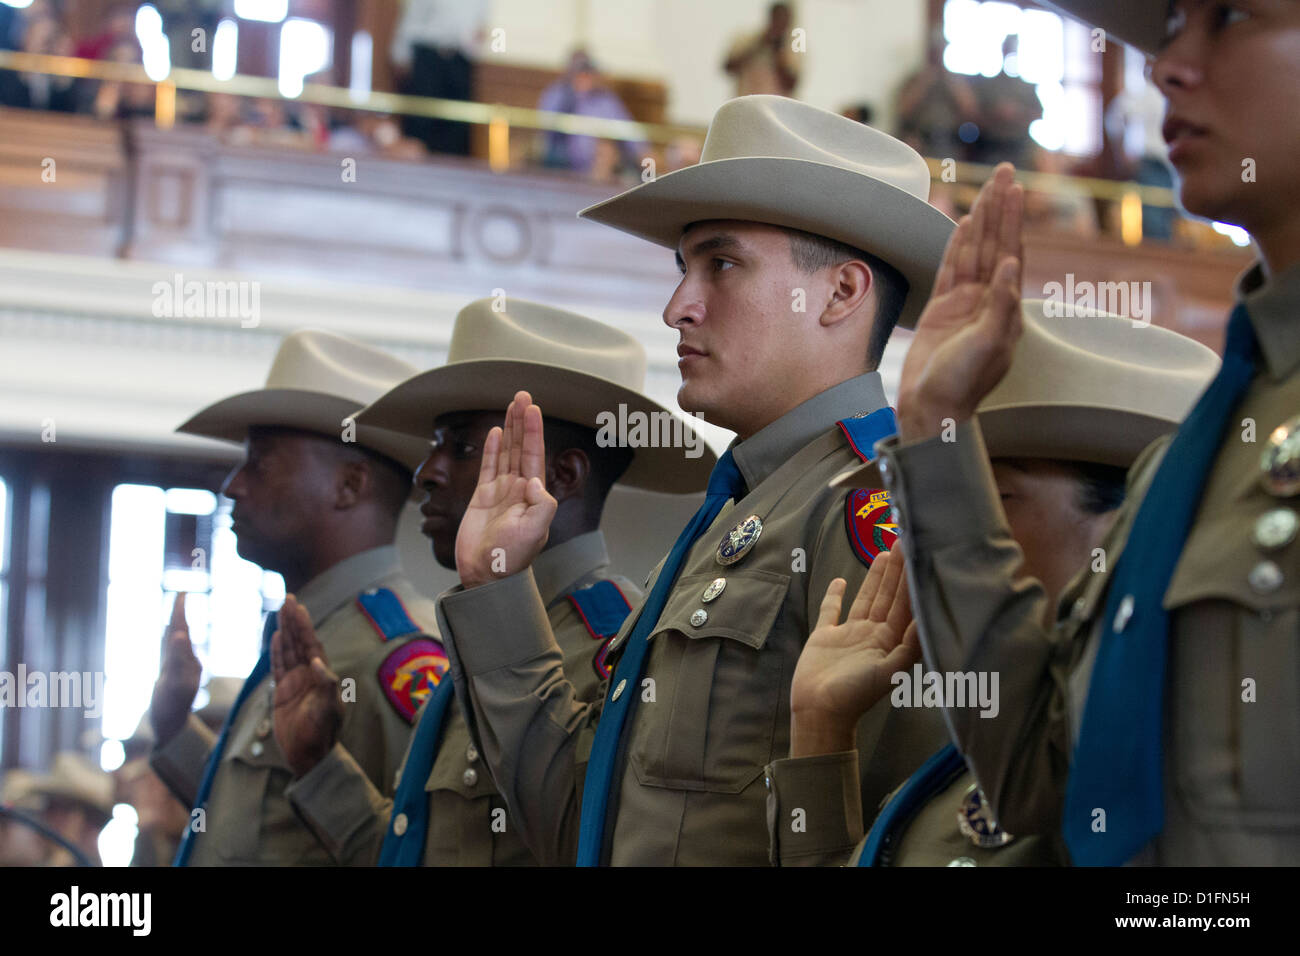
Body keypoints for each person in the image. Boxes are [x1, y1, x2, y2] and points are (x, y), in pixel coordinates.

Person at [435, 95, 957, 866]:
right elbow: (574, 825)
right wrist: (495, 585)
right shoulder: (730, 523)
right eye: (685, 269)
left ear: (841, 294)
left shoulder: (874, 513)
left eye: (722, 263)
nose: (678, 306)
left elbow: (904, 834)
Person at [874, 0, 1300, 865]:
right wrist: (936, 428)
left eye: (1227, 17)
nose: (1165, 64)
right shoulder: (1202, 452)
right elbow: (1041, 776)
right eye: (1171, 26)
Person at [767, 301, 1218, 865]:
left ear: (1128, 525)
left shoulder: (1161, 750)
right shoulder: (982, 750)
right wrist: (821, 726)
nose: (942, 543)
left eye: (987, 502)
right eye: (937, 506)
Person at [272, 299, 711, 866]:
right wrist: (319, 765)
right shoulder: (487, 630)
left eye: (459, 446)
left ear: (562, 475)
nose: (425, 472)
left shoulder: (615, 649)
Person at [149, 330, 445, 865]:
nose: (233, 485)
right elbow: (259, 831)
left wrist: (320, 767)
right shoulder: (311, 634)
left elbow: (415, 854)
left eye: (260, 461)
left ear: (349, 486)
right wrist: (173, 724)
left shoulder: (399, 655)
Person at [389, 0, 486, 156]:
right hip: (428, 58)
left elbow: (479, 25)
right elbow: (412, 19)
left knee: (456, 128)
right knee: (420, 124)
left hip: (459, 60)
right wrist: (400, 55)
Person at [537, 50, 643, 178]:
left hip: (596, 170)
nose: (583, 76)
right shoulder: (557, 94)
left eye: (587, 70)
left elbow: (629, 132)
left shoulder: (606, 100)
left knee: (606, 151)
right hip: (560, 165)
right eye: (578, 70)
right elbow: (544, 129)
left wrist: (644, 152)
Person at [723, 3, 800, 97]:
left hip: (777, 107)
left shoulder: (794, 47)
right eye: (777, 19)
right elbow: (728, 67)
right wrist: (760, 44)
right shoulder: (748, 39)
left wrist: (777, 51)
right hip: (746, 102)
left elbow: (792, 83)